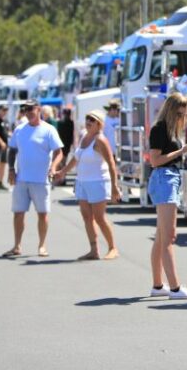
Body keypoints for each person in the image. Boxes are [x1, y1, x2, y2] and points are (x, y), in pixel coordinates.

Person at [147, 93, 187, 300]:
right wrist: (183, 151)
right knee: (168, 236)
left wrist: (184, 149)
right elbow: (155, 160)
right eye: (180, 113)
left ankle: (158, 285)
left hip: (168, 178)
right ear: (171, 111)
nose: (183, 117)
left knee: (161, 237)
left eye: (185, 114)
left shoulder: (168, 129)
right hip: (164, 178)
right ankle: (175, 288)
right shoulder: (160, 129)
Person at [2, 99, 64, 258]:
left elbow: (59, 152)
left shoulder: (49, 130)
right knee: (18, 213)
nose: (29, 112)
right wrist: (10, 169)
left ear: (39, 110)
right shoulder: (20, 129)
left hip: (41, 179)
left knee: (42, 214)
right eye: (26, 109)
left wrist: (53, 167)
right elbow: (12, 150)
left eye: (31, 109)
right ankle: (17, 246)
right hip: (22, 179)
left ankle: (42, 245)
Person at [56, 110, 120, 260]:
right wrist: (63, 172)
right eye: (87, 119)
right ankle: (94, 250)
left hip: (98, 182)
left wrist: (114, 186)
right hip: (83, 182)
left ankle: (113, 248)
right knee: (87, 217)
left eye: (92, 119)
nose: (88, 122)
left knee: (99, 218)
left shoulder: (100, 140)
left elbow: (111, 164)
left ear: (99, 124)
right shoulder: (85, 136)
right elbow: (76, 158)